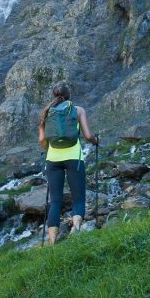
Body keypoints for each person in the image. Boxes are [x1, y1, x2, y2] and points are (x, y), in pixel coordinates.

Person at [38, 81, 98, 245]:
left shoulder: (46, 113)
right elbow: (87, 135)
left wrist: (48, 147)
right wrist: (95, 141)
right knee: (78, 197)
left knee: (55, 201)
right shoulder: (78, 110)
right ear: (69, 95)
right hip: (74, 158)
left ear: (54, 95)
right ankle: (76, 229)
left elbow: (42, 139)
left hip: (53, 159)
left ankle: (52, 240)